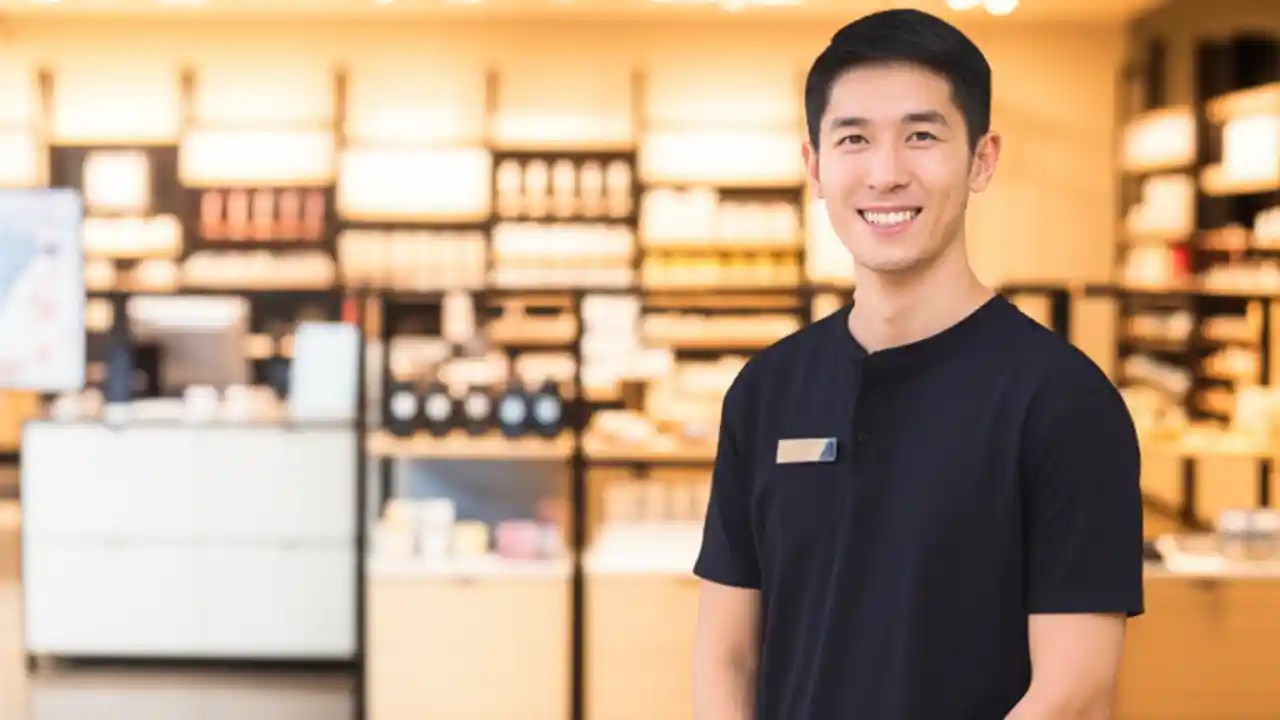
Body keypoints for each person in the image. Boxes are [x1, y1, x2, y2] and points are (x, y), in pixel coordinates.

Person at [691, 8, 1144, 720]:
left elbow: (1075, 692)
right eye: (853, 139)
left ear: (982, 158)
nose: (886, 173)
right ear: (814, 165)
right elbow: (727, 656)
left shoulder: (1062, 400)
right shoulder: (767, 391)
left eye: (922, 136)